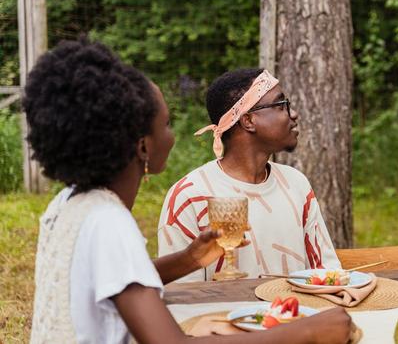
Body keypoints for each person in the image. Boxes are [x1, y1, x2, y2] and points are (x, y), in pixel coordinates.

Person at [26, 38, 352, 344]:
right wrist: (305, 332)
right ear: (143, 147)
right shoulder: (109, 223)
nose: (173, 136)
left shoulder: (69, 204)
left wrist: (187, 259)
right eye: (166, 125)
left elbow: (111, 280)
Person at [157, 69, 341, 281]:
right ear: (248, 120)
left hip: (301, 313)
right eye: (281, 105)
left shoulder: (296, 183)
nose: (293, 114)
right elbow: (183, 295)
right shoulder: (189, 196)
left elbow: (326, 273)